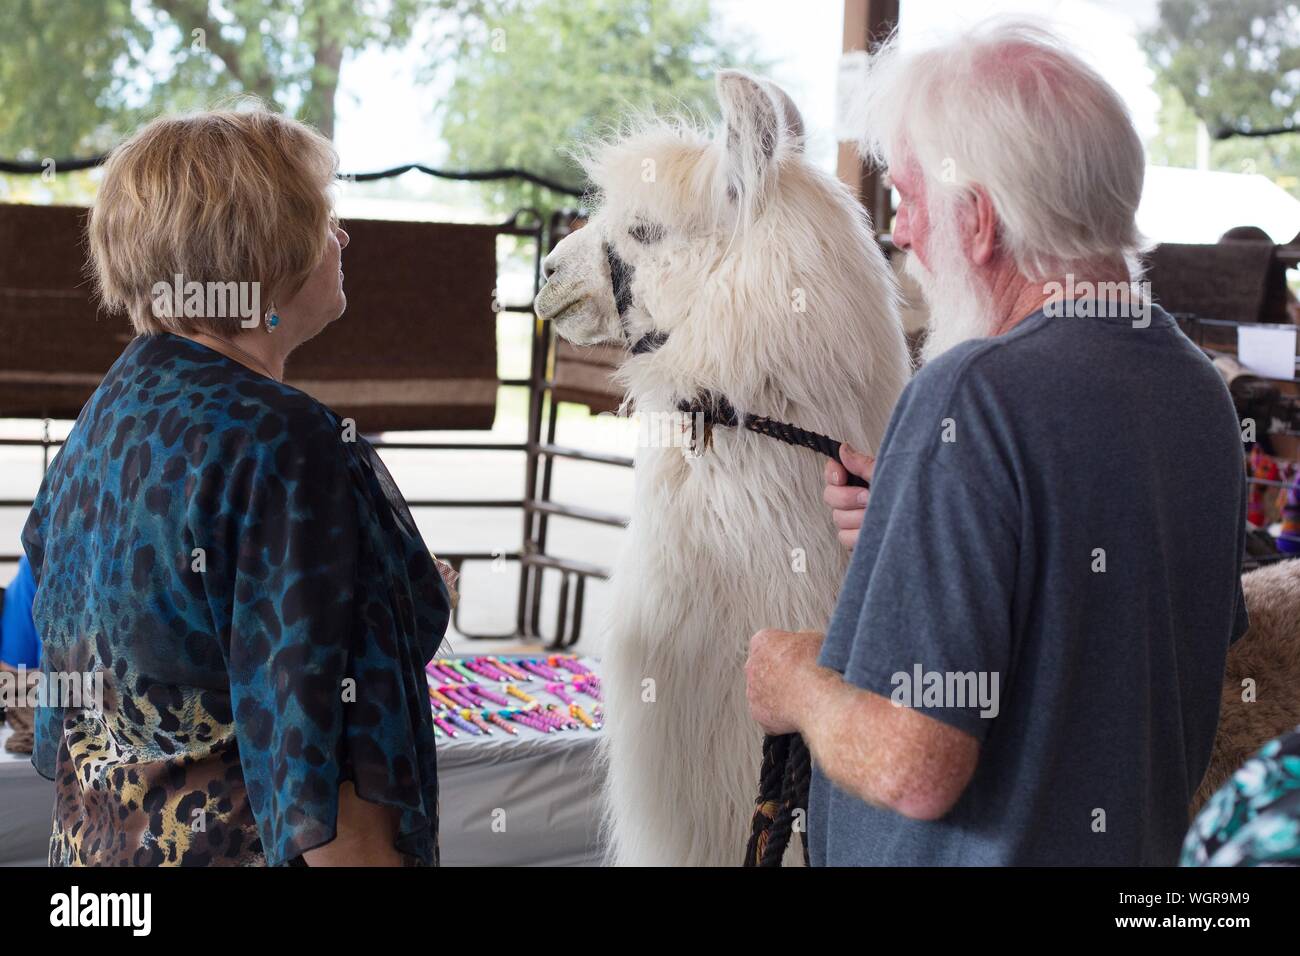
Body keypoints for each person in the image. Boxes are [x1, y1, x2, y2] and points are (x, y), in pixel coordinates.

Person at [744, 20, 1248, 865]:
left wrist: (797, 682)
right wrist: (919, 527)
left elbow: (917, 767)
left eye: (907, 199)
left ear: (977, 221)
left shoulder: (974, 393)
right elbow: (1113, 623)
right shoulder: (1195, 387)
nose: (901, 233)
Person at [22, 108, 450, 866]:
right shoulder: (284, 445)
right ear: (264, 245)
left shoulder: (110, 411)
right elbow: (331, 787)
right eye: (326, 219)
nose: (342, 238)